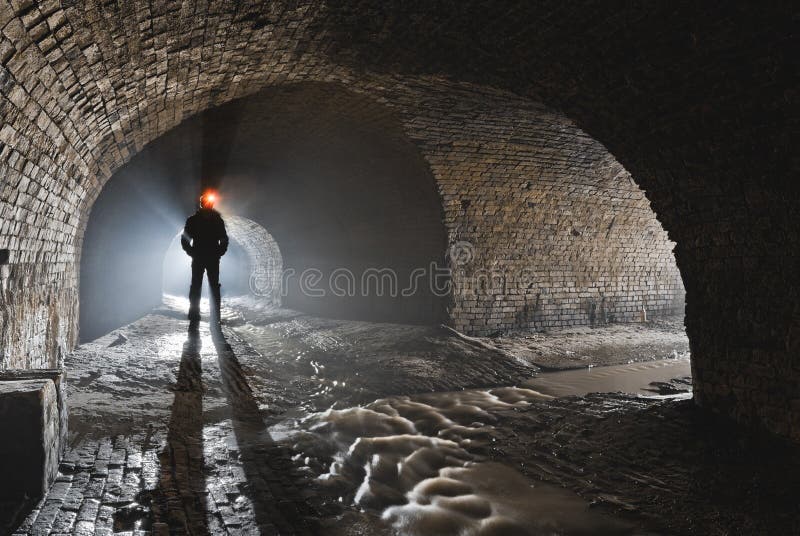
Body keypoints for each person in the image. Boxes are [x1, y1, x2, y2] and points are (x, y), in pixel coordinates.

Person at [181, 191, 228, 328]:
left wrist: (192, 252)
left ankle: (198, 314)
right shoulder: (213, 220)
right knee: (208, 286)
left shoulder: (195, 220)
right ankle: (207, 315)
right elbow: (224, 239)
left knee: (201, 285)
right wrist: (218, 252)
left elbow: (224, 239)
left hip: (204, 257)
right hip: (207, 257)